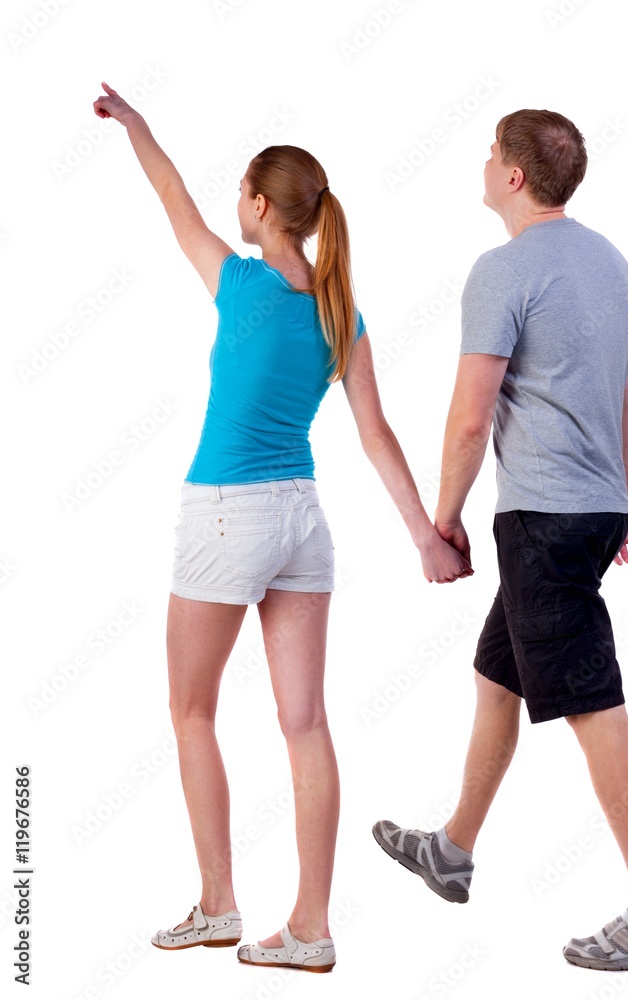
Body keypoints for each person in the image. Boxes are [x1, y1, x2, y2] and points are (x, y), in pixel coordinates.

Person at [92, 81, 470, 974]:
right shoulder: (342, 316)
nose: (233, 206)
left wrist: (137, 126)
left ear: (261, 209)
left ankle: (219, 905)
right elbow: (374, 437)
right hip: (304, 521)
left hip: (225, 512)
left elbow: (170, 197)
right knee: (305, 726)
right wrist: (424, 536)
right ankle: (310, 926)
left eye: (243, 195)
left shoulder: (238, 282)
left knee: (190, 710)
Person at [372, 109, 628, 971]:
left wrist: (440, 520)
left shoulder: (503, 270)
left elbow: (468, 417)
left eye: (490, 155)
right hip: (590, 512)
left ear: (514, 177)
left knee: (592, 703)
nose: (483, 165)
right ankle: (451, 849)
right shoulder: (613, 264)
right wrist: (626, 495)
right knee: (497, 677)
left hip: (541, 521)